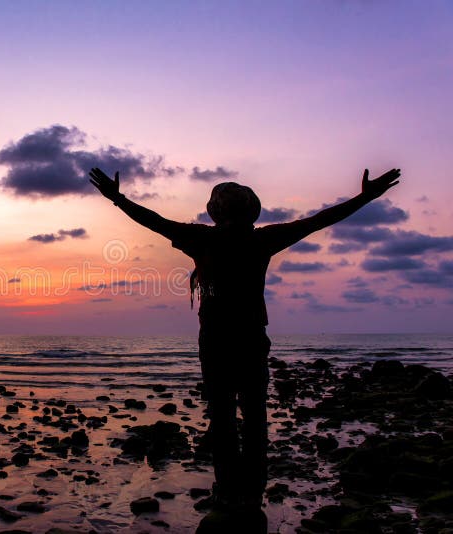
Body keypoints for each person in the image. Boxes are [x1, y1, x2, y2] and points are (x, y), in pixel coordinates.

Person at [88, 166, 400, 511]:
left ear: (215, 211)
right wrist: (364, 198)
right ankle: (252, 491)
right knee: (254, 417)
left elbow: (153, 221)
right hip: (251, 338)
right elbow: (318, 221)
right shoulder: (260, 239)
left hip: (216, 341)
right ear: (252, 210)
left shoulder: (203, 239)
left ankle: (227, 490)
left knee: (222, 418)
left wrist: (118, 199)